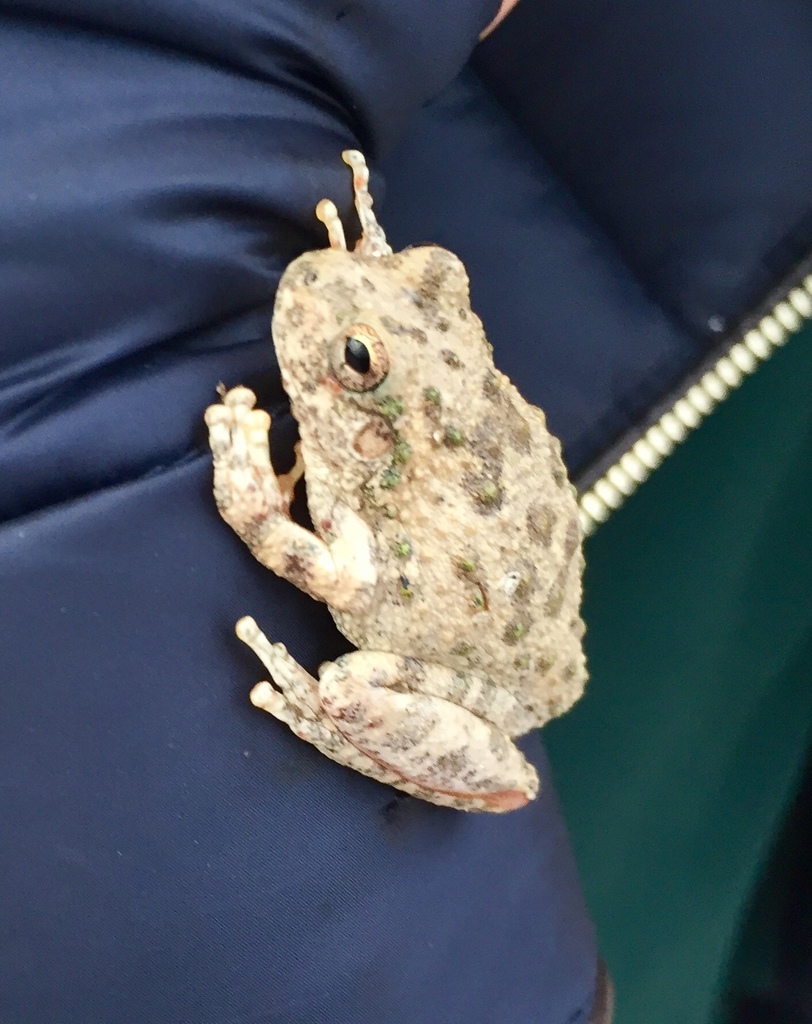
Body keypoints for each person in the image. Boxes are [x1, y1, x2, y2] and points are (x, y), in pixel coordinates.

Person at [0, 3, 604, 1022]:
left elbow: (341, 573)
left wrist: (249, 491)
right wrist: (371, 265)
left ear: (367, 413)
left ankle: (329, 716)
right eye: (422, 276)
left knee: (355, 678)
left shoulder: (382, 480)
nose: (328, 294)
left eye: (354, 359)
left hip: (470, 653)